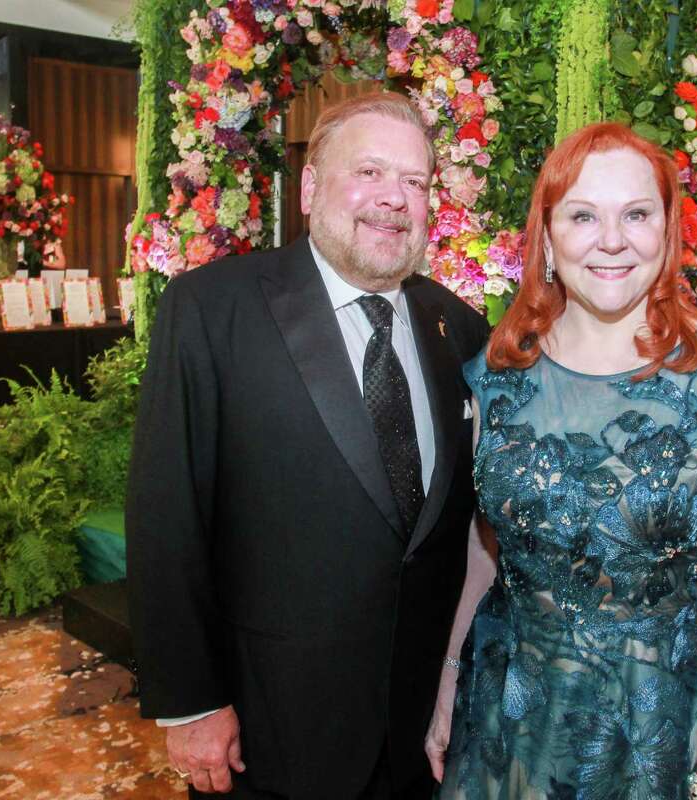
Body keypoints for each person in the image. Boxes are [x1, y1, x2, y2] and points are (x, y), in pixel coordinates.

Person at [125, 92, 489, 799]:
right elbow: (167, 516)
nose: (394, 199)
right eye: (371, 172)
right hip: (272, 736)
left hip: (421, 740)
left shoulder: (461, 328)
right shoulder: (211, 310)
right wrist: (194, 703)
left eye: (414, 183)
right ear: (312, 188)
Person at [428, 122, 697, 799]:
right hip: (514, 732)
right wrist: (450, 678)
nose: (611, 240)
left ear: (666, 232)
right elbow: (487, 552)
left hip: (673, 727)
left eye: (636, 214)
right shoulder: (497, 380)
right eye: (582, 215)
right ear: (547, 235)